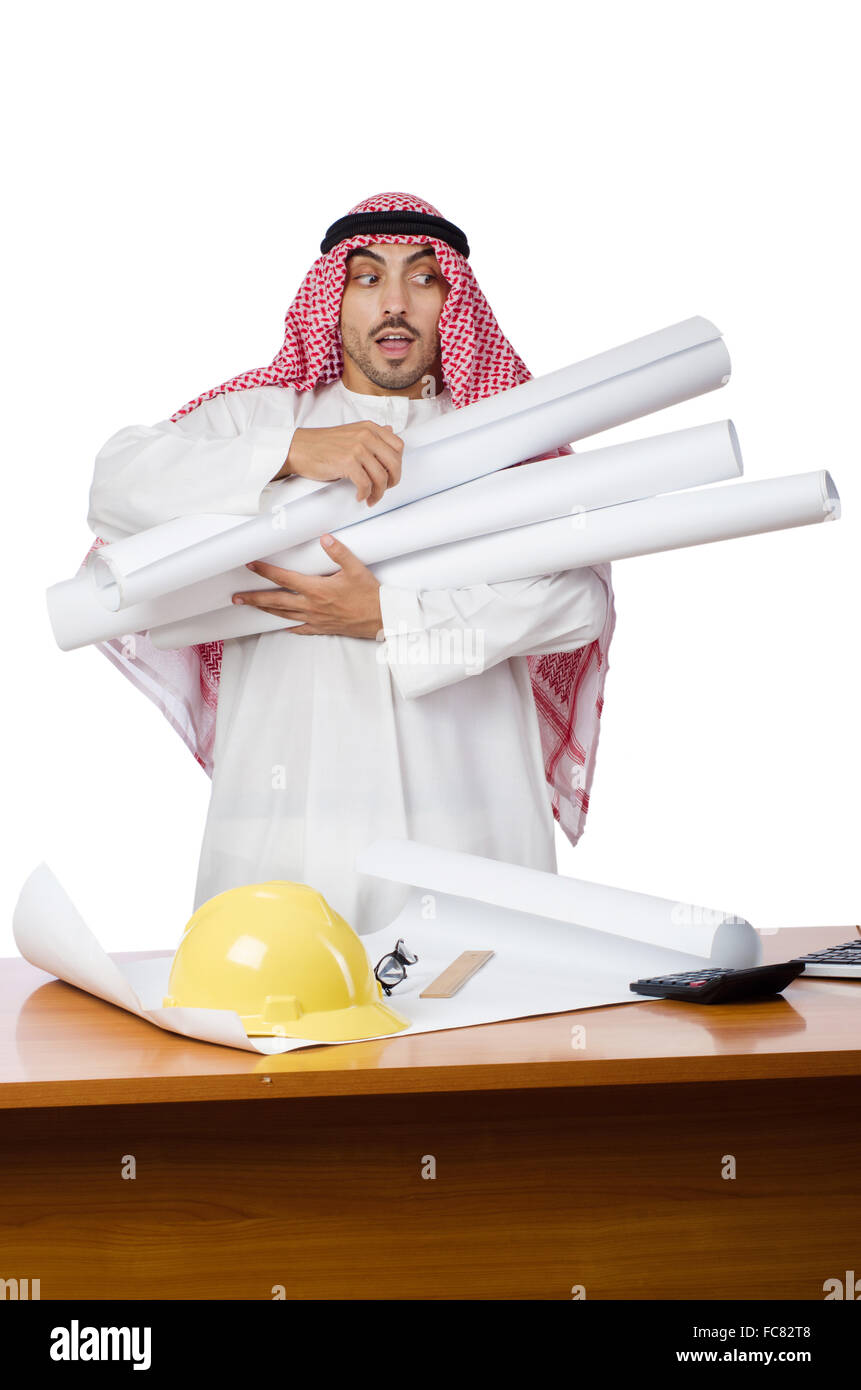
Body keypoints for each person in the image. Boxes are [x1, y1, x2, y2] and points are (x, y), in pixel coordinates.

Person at [84, 191, 617, 933]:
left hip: (468, 823)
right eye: (367, 278)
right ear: (331, 299)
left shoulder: (504, 438)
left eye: (422, 279)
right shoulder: (263, 418)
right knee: (274, 1017)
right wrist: (289, 456)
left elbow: (578, 602)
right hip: (286, 822)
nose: (393, 303)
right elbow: (117, 485)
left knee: (483, 1026)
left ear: (452, 302)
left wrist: (387, 617)